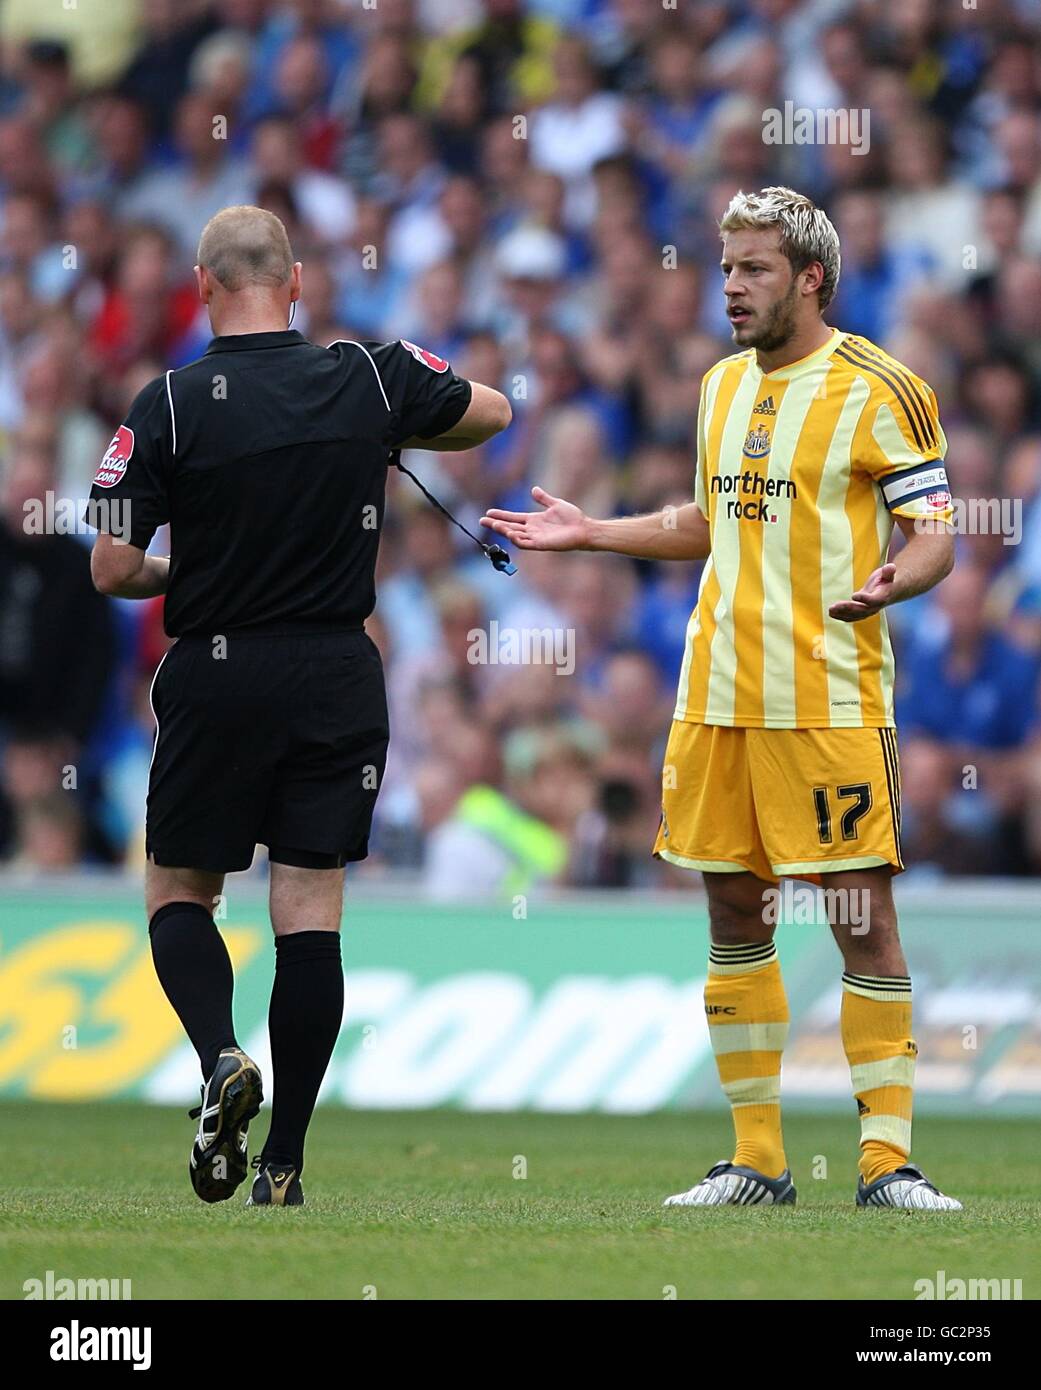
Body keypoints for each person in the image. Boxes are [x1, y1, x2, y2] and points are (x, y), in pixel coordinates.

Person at [482, 186, 962, 1211]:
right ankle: (757, 1161)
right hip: (716, 699)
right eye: (725, 266)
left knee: (859, 916)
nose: (731, 286)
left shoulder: (884, 387)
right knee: (732, 912)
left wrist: (895, 581)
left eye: (752, 269)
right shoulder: (718, 387)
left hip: (828, 699)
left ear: (811, 277)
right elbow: (711, 521)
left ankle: (888, 1164)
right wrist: (592, 531)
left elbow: (935, 533)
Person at [87, 205, 511, 1207]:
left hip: (218, 673)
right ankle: (286, 1162)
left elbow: (108, 564)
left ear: (202, 284)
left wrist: (184, 569)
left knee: (180, 893)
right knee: (309, 914)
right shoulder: (369, 375)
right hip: (336, 672)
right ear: (298, 280)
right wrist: (409, 396)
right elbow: (491, 410)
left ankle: (221, 1055)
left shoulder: (165, 406)